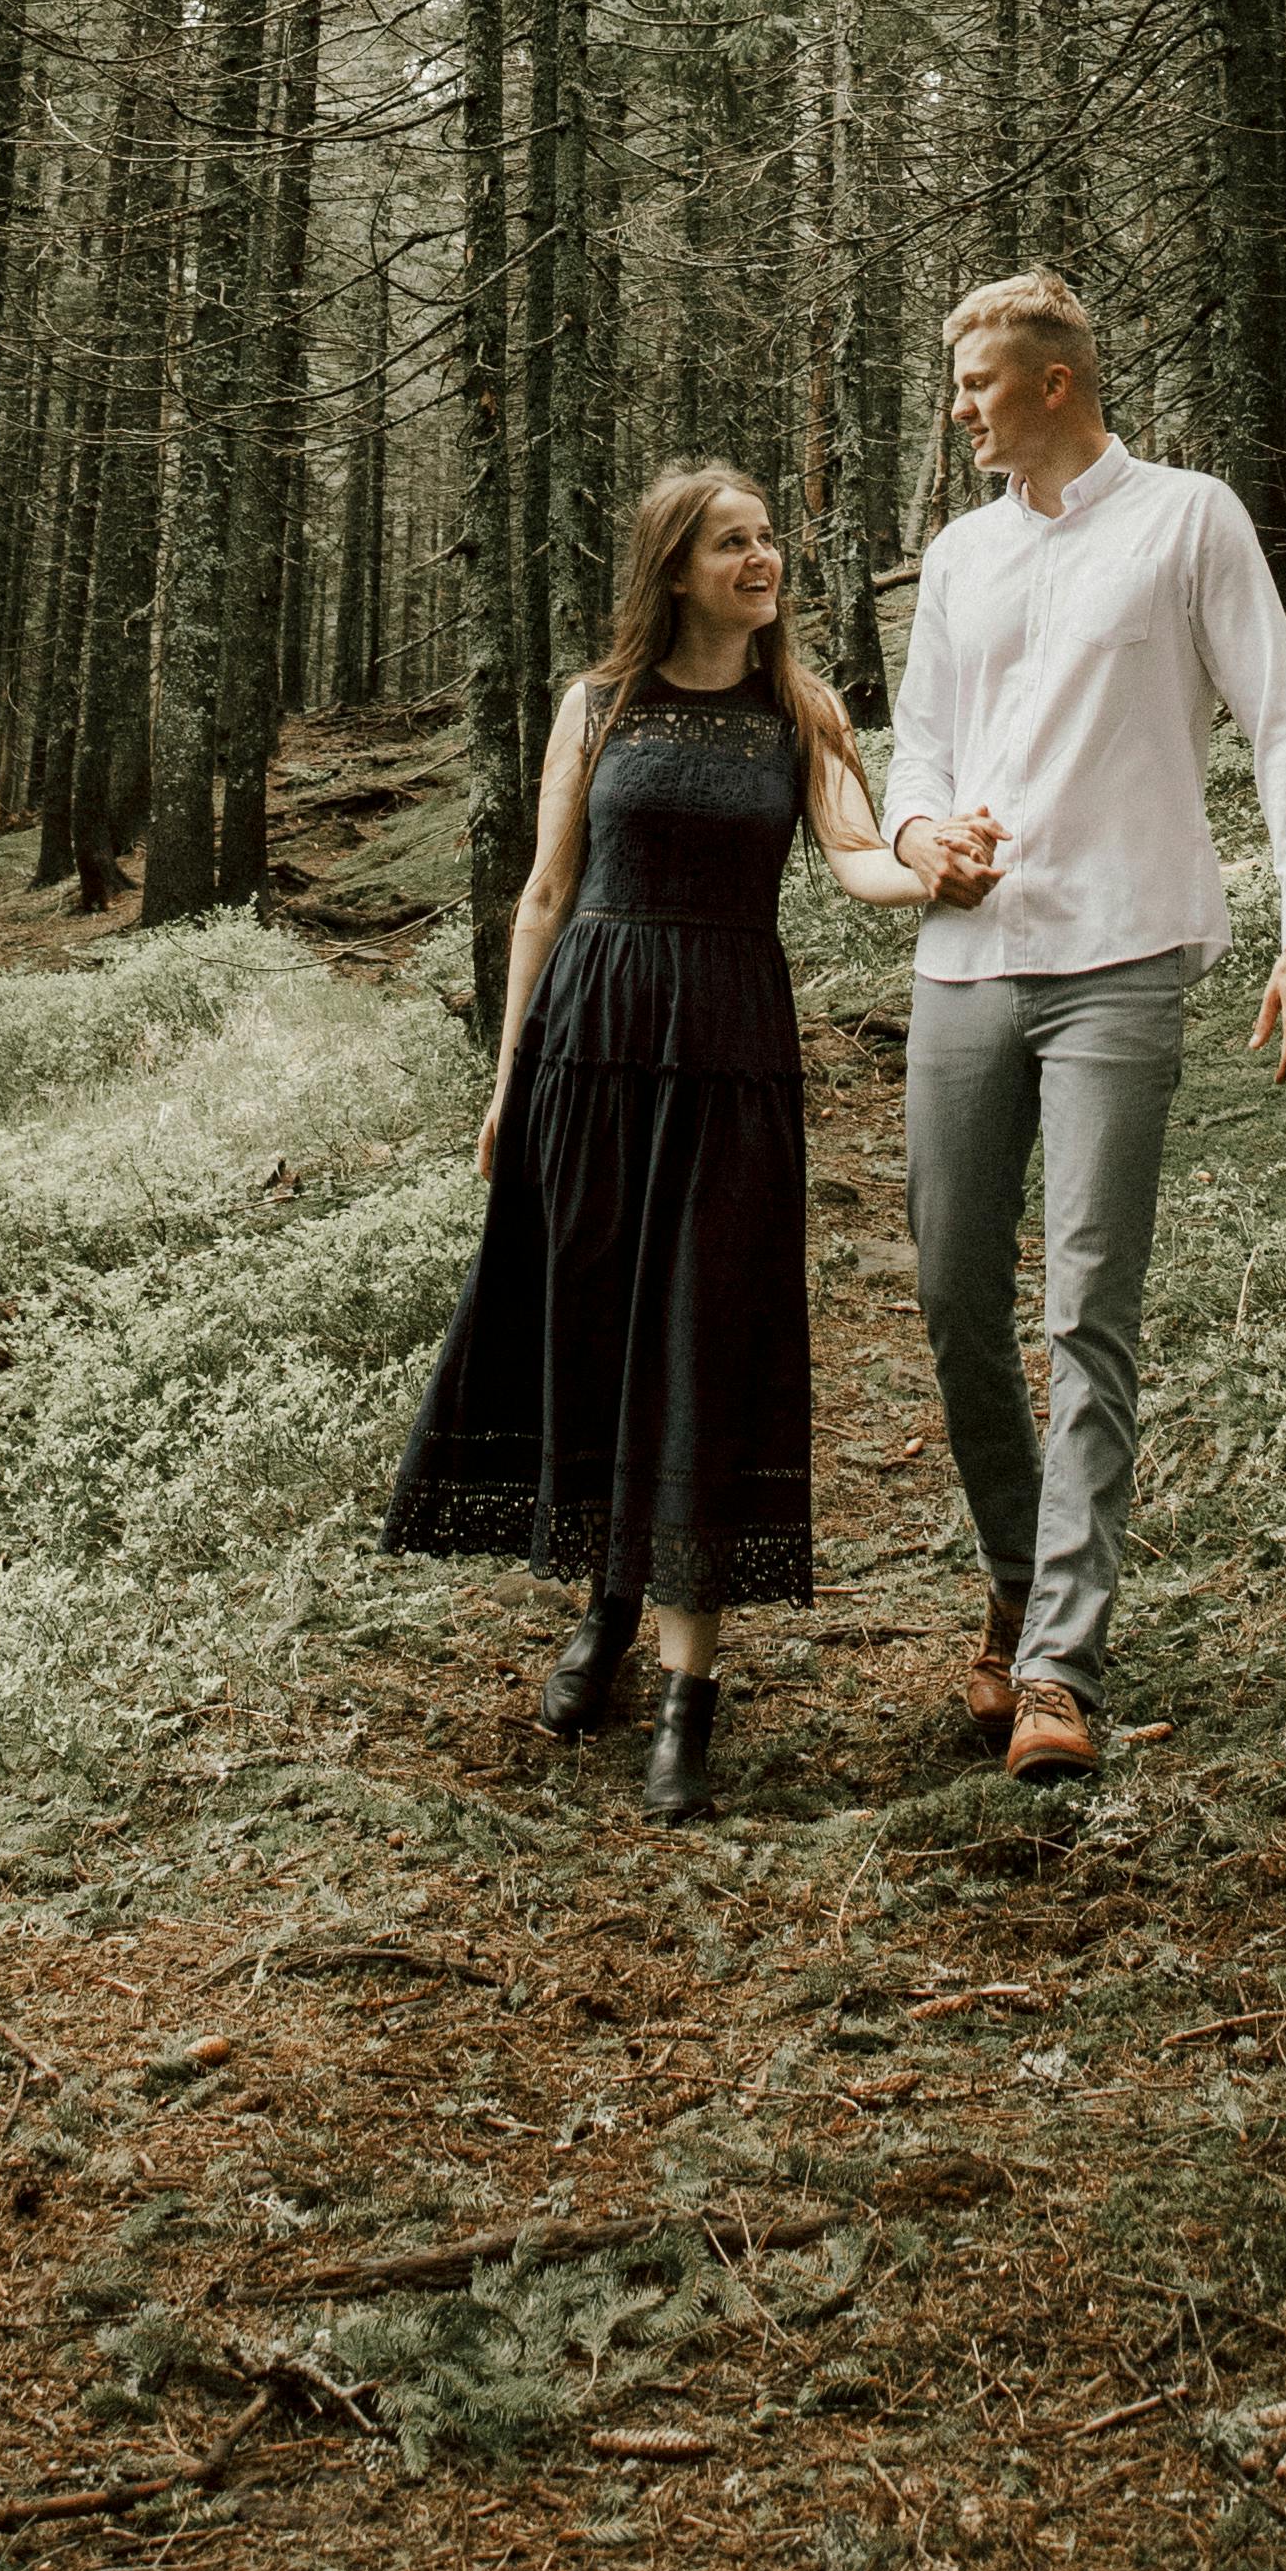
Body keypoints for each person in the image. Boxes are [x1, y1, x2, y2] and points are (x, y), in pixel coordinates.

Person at [380, 458, 931, 1822]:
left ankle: (691, 1695)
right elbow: (545, 892)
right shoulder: (599, 704)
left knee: (702, 1335)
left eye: (769, 537)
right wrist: (510, 1079)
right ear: (675, 567)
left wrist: (935, 870)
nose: (763, 558)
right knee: (598, 1322)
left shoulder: (802, 706)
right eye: (733, 542)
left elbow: (857, 857)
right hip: (594, 1040)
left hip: (731, 1049)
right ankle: (606, 1605)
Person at [888, 267, 1286, 1786]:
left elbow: (1280, 725)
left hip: (1122, 957)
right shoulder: (960, 553)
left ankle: (1058, 1667)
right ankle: (1019, 1580)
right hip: (966, 959)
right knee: (953, 1294)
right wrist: (921, 837)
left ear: (1056, 383)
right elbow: (919, 748)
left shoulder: (1189, 520)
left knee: (1088, 1306)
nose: (961, 411)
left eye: (977, 386)